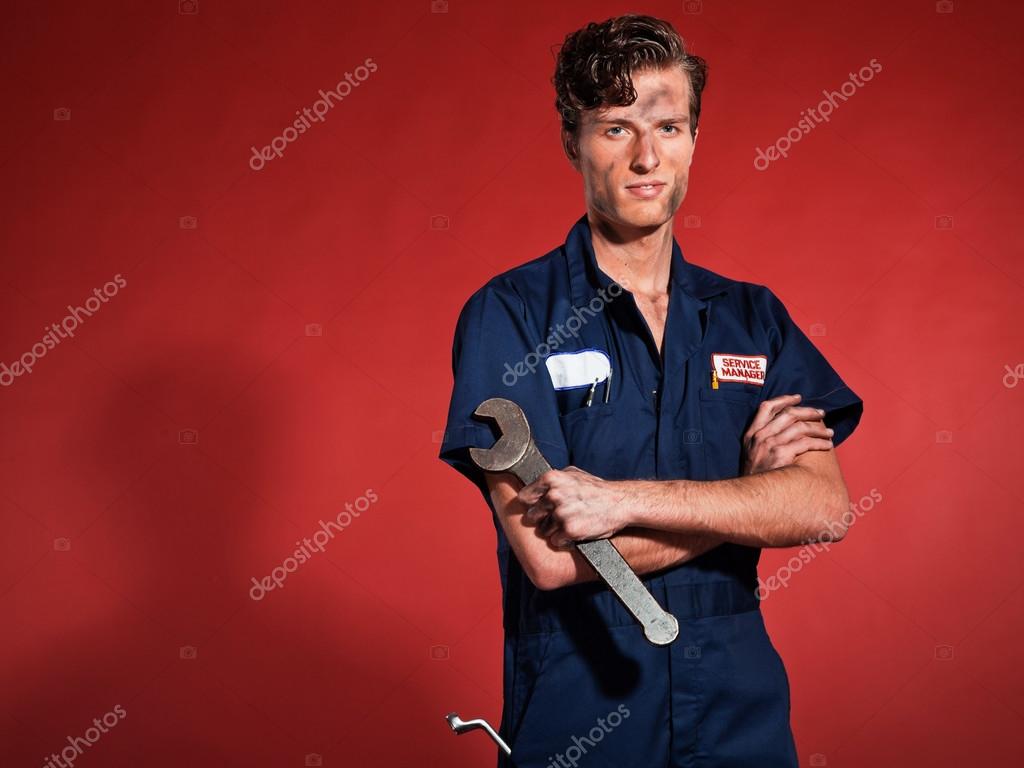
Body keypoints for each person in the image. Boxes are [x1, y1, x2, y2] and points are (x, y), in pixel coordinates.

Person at [438, 13, 863, 768]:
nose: (647, 157)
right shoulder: (510, 315)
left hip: (740, 715)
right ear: (572, 141)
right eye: (616, 128)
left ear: (694, 137)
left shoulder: (753, 318)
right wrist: (751, 501)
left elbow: (825, 508)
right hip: (580, 711)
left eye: (669, 126)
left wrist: (622, 503)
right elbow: (552, 560)